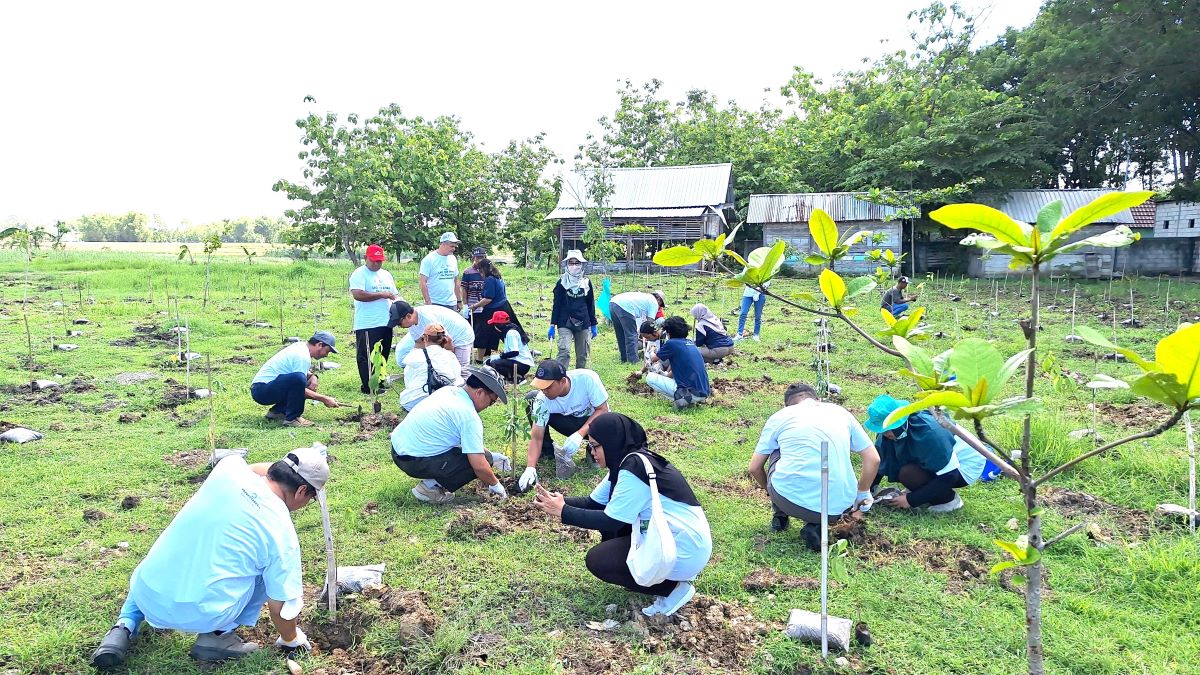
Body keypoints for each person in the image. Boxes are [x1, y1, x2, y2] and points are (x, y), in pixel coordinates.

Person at [89, 446, 330, 668]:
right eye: (310, 498)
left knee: (170, 552)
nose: (307, 503)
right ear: (301, 491)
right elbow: (281, 608)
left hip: (146, 593)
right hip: (202, 613)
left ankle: (123, 627)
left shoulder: (229, 469)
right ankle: (217, 637)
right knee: (267, 575)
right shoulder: (281, 534)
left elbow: (258, 469)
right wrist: (292, 639)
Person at [532, 413, 711, 617]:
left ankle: (673, 589)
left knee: (598, 561)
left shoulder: (633, 469)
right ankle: (661, 578)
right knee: (611, 534)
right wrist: (558, 501)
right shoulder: (626, 462)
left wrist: (563, 511)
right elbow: (594, 503)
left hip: (684, 548)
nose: (592, 452)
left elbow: (611, 519)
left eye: (595, 446)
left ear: (611, 442)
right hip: (672, 539)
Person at [748, 383, 881, 545]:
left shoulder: (780, 416)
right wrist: (862, 493)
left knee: (776, 451)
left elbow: (754, 468)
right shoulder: (840, 412)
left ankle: (781, 514)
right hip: (840, 507)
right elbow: (873, 459)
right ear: (818, 399)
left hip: (790, 502)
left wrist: (771, 492)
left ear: (788, 405)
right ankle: (817, 525)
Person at [389, 365, 513, 505]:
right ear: (479, 392)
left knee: (483, 457)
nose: (488, 407)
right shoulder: (468, 415)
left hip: (397, 451)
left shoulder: (449, 391)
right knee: (476, 462)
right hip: (413, 461)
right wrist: (496, 485)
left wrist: (492, 456)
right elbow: (478, 464)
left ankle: (431, 481)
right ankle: (429, 489)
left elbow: (470, 444)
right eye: (490, 402)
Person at [863, 395, 988, 513]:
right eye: (881, 430)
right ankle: (923, 489)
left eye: (886, 430)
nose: (884, 434)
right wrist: (866, 491)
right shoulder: (891, 434)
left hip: (964, 468)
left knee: (908, 474)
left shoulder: (930, 433)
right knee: (906, 470)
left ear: (899, 422)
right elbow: (880, 460)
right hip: (942, 465)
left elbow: (950, 475)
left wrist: (911, 499)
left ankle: (949, 500)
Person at [517, 360, 611, 491]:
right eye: (541, 387)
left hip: (594, 422)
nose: (544, 391)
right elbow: (536, 437)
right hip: (566, 422)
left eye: (548, 387)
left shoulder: (587, 379)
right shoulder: (542, 400)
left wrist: (579, 435)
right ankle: (547, 451)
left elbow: (603, 409)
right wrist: (530, 467)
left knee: (607, 421)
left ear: (562, 381)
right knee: (532, 399)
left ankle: (593, 447)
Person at [250, 331, 342, 427]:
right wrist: (324, 399)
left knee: (302, 381)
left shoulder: (301, 347)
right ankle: (292, 418)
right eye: (327, 351)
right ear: (319, 345)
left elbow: (295, 374)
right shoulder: (302, 356)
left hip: (262, 388)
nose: (326, 355)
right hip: (262, 390)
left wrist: (312, 376)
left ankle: (278, 412)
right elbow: (299, 385)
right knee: (299, 380)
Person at [349, 244, 399, 394]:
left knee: (382, 355)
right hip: (367, 323)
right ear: (365, 258)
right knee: (366, 355)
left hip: (386, 322)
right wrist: (382, 295)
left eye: (380, 261)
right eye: (374, 261)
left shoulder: (386, 275)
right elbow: (358, 294)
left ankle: (380, 381)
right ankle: (368, 386)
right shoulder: (359, 274)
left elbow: (394, 294)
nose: (377, 264)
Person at [642, 316, 710, 409]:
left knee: (650, 377)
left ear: (669, 332)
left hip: (690, 393)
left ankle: (682, 399)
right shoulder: (690, 343)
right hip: (704, 391)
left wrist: (652, 350)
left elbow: (653, 358)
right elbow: (676, 370)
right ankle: (686, 399)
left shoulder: (671, 343)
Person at [466, 258, 525, 360]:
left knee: (482, 333)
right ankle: (488, 356)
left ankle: (480, 359)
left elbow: (488, 298)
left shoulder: (490, 280)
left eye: (480, 272)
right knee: (497, 333)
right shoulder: (498, 276)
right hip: (504, 307)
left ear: (483, 270)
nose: (480, 274)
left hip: (493, 309)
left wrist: (475, 306)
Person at [549, 249, 598, 370]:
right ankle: (560, 376)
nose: (574, 266)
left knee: (582, 355)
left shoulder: (586, 283)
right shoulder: (561, 282)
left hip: (583, 321)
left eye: (577, 263)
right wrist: (552, 325)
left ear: (581, 265)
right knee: (564, 350)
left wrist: (593, 324)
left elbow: (590, 303)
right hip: (564, 321)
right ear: (567, 265)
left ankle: (579, 377)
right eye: (571, 263)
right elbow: (557, 304)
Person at [390, 300, 475, 369]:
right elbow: (419, 343)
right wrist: (413, 359)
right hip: (446, 336)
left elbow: (447, 341)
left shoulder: (428, 319)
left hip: (461, 335)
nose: (399, 326)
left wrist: (449, 362)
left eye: (399, 323)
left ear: (408, 316)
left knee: (460, 370)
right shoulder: (412, 323)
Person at [398, 323, 465, 412]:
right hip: (444, 404)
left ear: (425, 338)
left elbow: (408, 382)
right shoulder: (450, 356)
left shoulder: (413, 356)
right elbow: (457, 378)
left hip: (415, 403)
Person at [609, 290, 666, 363]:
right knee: (631, 335)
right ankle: (633, 360)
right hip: (625, 307)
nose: (659, 307)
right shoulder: (654, 302)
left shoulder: (645, 297)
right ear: (659, 300)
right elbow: (650, 324)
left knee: (621, 334)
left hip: (613, 303)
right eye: (660, 304)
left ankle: (624, 358)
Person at [484, 310, 534, 383]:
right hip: (516, 361)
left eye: (495, 324)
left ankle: (517, 379)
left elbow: (514, 352)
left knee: (495, 363)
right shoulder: (509, 331)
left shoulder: (511, 333)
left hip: (522, 364)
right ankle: (511, 376)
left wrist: (499, 356)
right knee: (489, 362)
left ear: (500, 324)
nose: (494, 326)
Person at [419, 232, 462, 311]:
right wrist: (428, 303)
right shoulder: (429, 260)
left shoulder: (453, 259)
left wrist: (459, 300)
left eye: (455, 246)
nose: (454, 249)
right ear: (443, 244)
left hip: (451, 303)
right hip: (435, 302)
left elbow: (456, 281)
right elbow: (423, 283)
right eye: (452, 246)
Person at [460, 246, 488, 331]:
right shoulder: (468, 272)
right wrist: (465, 305)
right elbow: (464, 289)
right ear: (473, 258)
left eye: (481, 257)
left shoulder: (489, 271)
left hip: (486, 306)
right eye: (477, 257)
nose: (479, 260)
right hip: (472, 306)